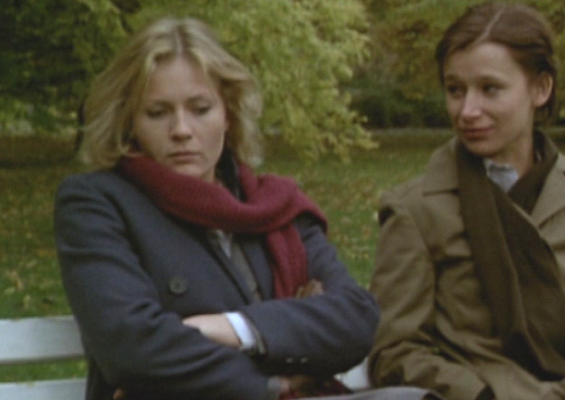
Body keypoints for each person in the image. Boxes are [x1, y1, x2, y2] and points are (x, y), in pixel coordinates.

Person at [55, 17, 434, 400]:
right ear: (129, 122)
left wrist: (231, 328)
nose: (182, 129)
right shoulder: (97, 203)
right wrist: (272, 383)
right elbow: (130, 346)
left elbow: (355, 318)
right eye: (157, 113)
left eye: (200, 109)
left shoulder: (273, 205)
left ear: (228, 114)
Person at [367, 3, 565, 400]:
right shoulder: (418, 211)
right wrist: (485, 396)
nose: (467, 110)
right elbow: (394, 352)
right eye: (454, 90)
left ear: (540, 89)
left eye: (489, 89)